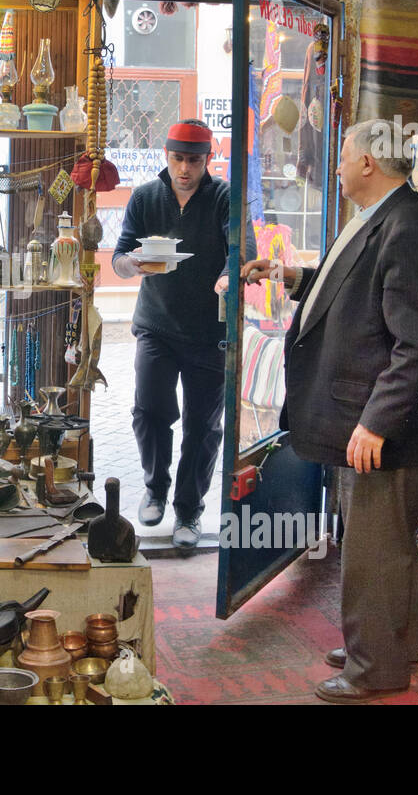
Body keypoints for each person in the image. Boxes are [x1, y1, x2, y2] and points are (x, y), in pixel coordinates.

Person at [241, 118, 418, 703]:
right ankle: (394, 645)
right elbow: (353, 292)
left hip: (388, 428)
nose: (333, 165)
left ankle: (374, 668)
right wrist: (292, 275)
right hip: (364, 418)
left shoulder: (407, 227)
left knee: (374, 552)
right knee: (388, 546)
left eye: (341, 155)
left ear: (368, 163)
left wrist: (376, 421)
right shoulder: (380, 216)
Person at [113, 119, 256, 551]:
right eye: (178, 159)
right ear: (166, 157)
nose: (185, 169)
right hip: (156, 324)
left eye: (194, 161)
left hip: (209, 331)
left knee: (203, 425)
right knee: (149, 409)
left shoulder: (225, 198)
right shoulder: (145, 197)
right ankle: (155, 487)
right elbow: (120, 255)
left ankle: (189, 511)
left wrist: (230, 277)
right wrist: (131, 264)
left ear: (207, 160)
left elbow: (242, 250)